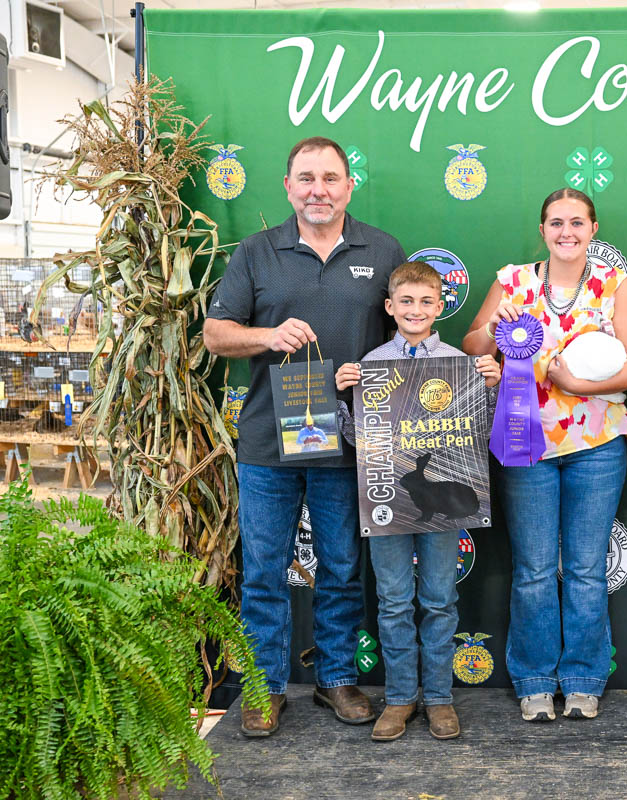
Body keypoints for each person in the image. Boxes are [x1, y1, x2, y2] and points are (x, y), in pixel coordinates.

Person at [203, 136, 406, 736]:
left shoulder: (384, 248)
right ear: (288, 186)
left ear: (350, 185)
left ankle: (338, 680)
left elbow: (409, 334)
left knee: (342, 568)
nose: (319, 189)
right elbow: (216, 334)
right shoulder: (257, 252)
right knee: (264, 571)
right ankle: (263, 690)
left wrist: (372, 373)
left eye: (330, 178)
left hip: (349, 442)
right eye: (306, 178)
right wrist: (267, 337)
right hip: (269, 442)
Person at [462, 187, 627, 722]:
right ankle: (536, 680)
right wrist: (497, 332)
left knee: (588, 568)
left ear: (593, 229)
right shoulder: (513, 281)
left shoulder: (614, 284)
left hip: (597, 443)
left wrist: (579, 385)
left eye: (577, 222)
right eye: (555, 223)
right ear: (542, 230)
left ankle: (586, 678)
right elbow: (473, 342)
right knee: (535, 569)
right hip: (526, 443)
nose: (566, 232)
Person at [335, 261, 501, 741]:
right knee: (392, 602)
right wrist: (346, 398)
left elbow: (477, 432)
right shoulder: (369, 365)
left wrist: (489, 387)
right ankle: (401, 697)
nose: (415, 309)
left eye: (426, 301)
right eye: (406, 301)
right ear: (390, 307)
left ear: (440, 306)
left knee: (439, 599)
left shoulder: (457, 361)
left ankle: (440, 699)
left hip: (443, 507)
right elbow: (356, 439)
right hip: (386, 497)